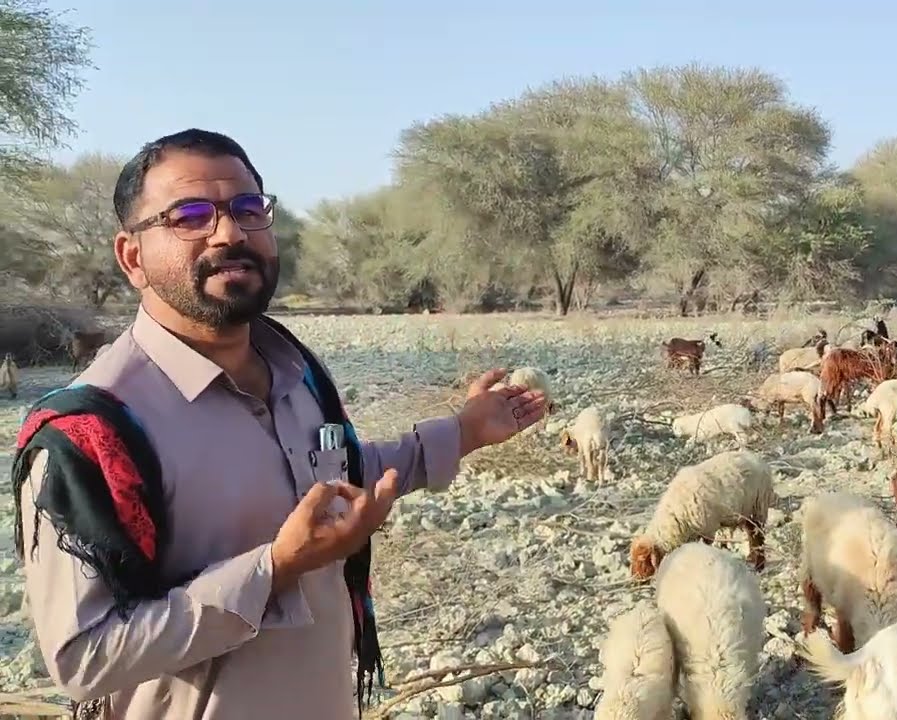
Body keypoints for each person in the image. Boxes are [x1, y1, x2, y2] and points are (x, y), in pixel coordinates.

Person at [12, 128, 548, 720]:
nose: (230, 233)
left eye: (248, 209)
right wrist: (277, 568)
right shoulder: (90, 432)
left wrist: (464, 432)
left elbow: (337, 479)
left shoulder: (296, 372)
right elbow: (84, 658)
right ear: (132, 257)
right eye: (190, 216)